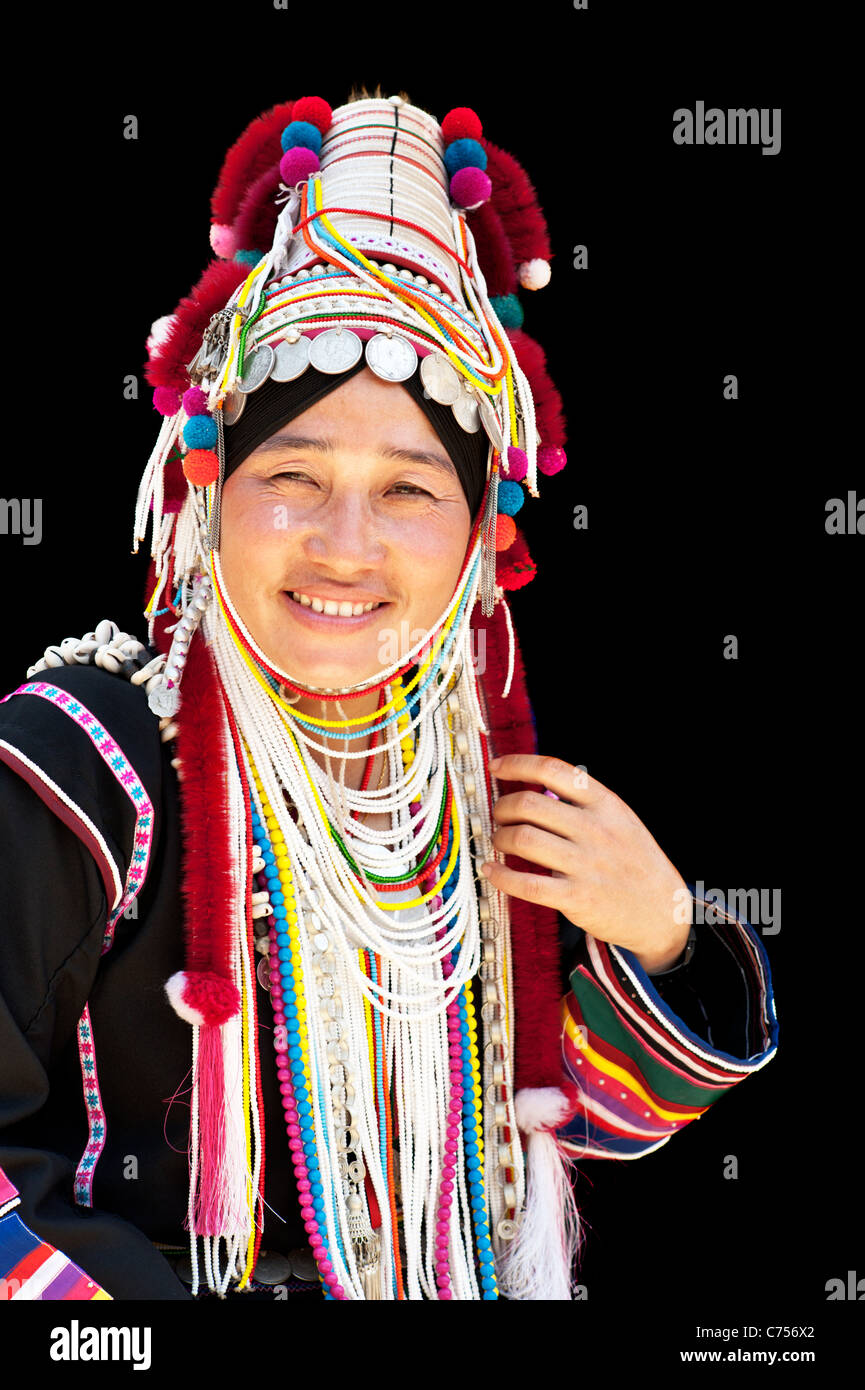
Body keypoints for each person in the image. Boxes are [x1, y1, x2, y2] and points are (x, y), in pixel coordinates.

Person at [0, 89, 778, 1302]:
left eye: (411, 490)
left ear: (479, 534)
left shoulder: (456, 796)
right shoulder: (82, 761)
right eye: (292, 474)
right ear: (204, 497)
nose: (344, 545)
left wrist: (666, 936)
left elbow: (543, 1149)